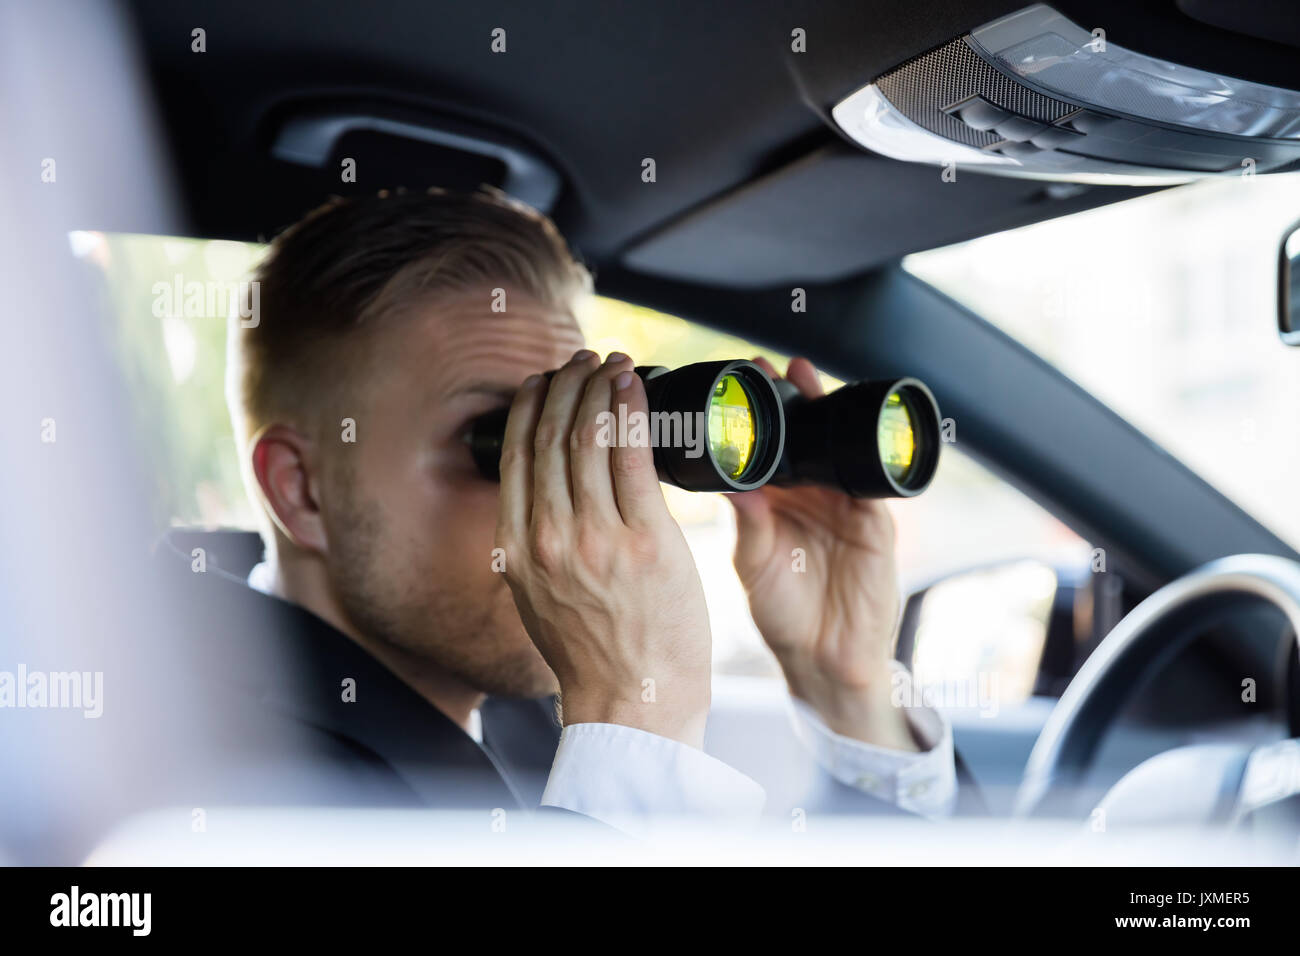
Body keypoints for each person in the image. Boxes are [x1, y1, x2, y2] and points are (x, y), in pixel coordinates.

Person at [163, 187, 960, 836]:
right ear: (302, 490)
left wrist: (847, 689)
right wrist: (632, 712)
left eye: (573, 427)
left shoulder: (525, 709)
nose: (562, 488)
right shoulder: (216, 781)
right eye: (500, 439)